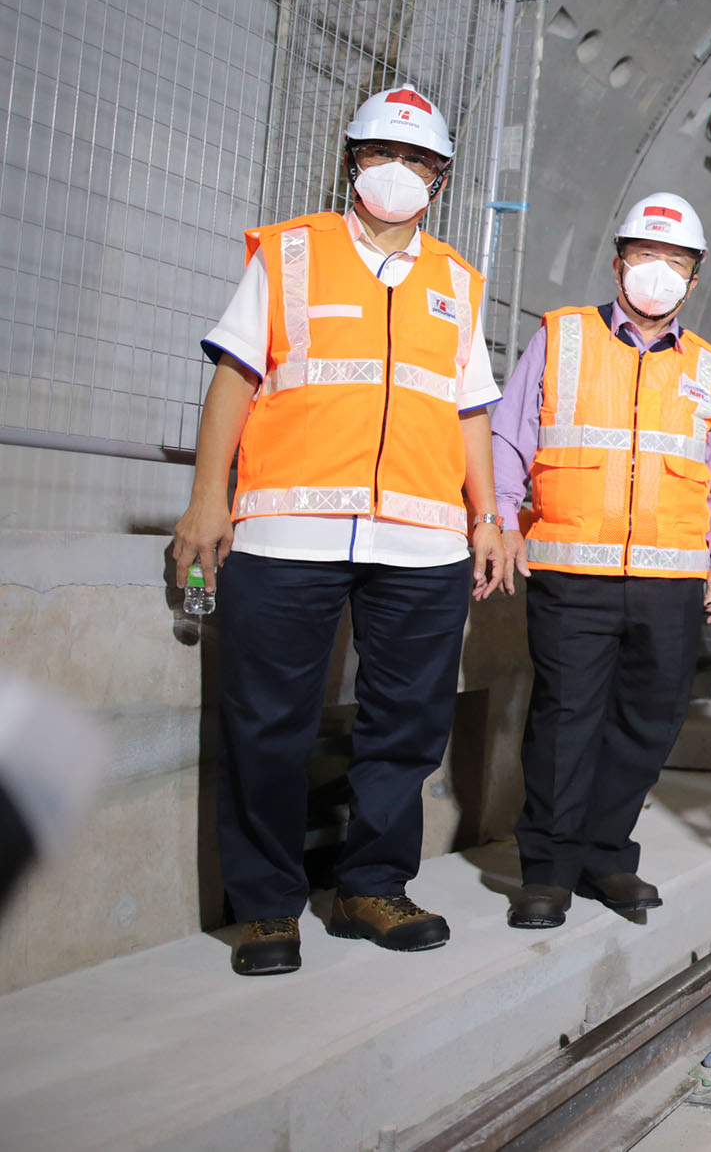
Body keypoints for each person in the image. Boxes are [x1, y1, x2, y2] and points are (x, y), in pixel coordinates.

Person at [172, 84, 510, 977]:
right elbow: (236, 380)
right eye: (379, 154)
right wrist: (210, 499)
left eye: (418, 160)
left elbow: (470, 410)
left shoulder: (456, 280)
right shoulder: (290, 253)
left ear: (440, 176)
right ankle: (268, 906)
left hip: (423, 542)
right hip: (288, 532)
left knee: (405, 724)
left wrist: (489, 516)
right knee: (267, 723)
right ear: (352, 161)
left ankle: (371, 887)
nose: (397, 172)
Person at [490, 193, 711, 928]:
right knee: (566, 718)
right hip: (573, 569)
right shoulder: (563, 337)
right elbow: (511, 434)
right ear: (618, 260)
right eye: (646, 255)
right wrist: (503, 519)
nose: (659, 272)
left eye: (677, 262)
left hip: (671, 577)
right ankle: (549, 868)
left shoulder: (707, 366)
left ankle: (606, 854)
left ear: (694, 279)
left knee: (648, 721)